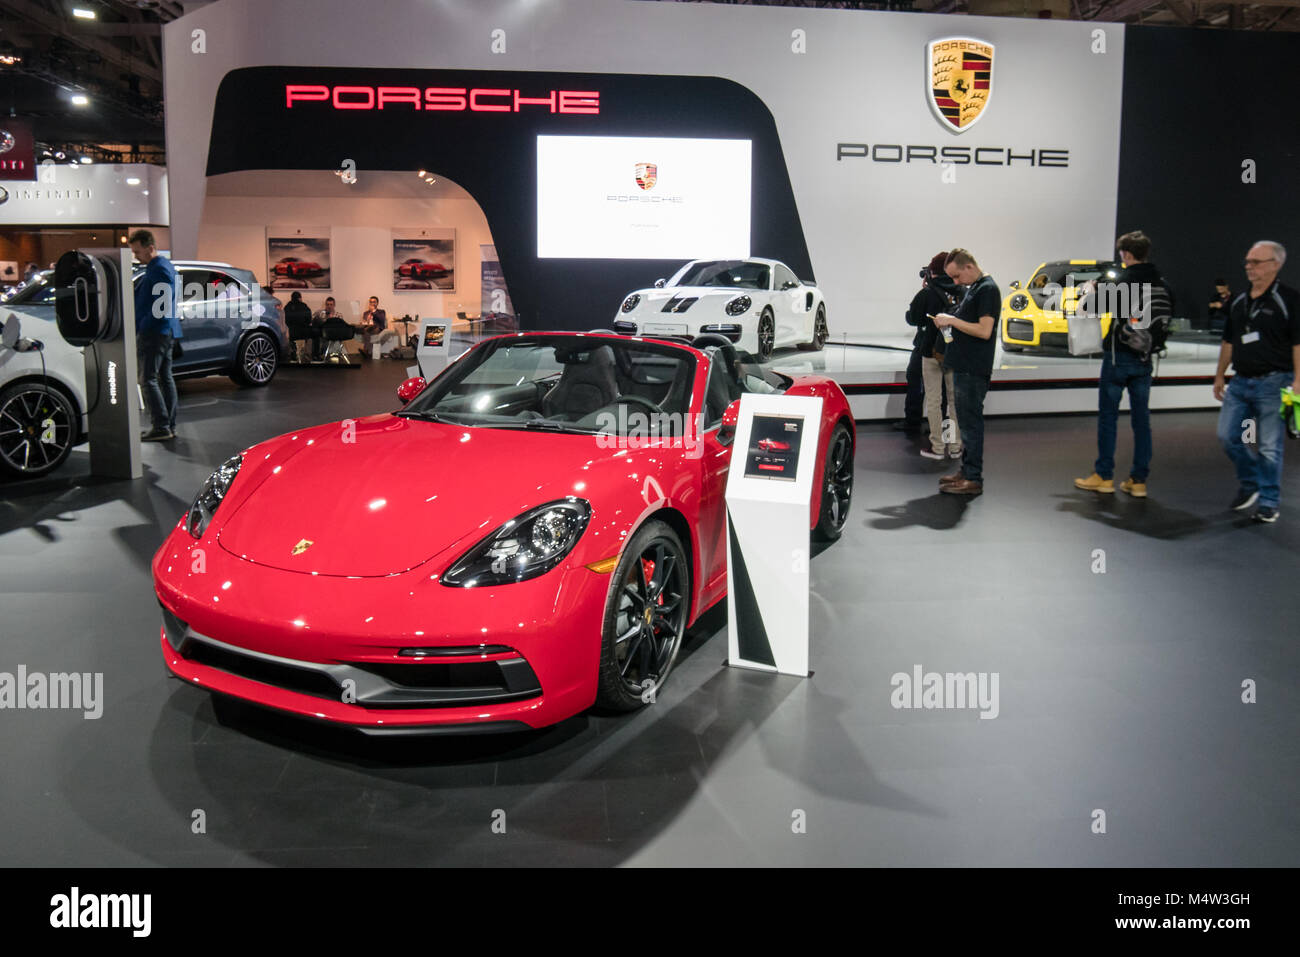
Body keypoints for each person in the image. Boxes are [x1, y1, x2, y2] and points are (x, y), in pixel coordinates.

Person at [1074, 230, 1172, 498]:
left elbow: (1086, 310)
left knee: (1108, 418)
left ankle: (1104, 476)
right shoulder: (1161, 283)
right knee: (1142, 421)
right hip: (1145, 359)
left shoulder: (1123, 282)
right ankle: (1138, 480)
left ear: (1126, 254)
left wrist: (1092, 290)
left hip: (1119, 358)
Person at [1214, 240, 1300, 523]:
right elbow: (1229, 340)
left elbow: (1298, 345)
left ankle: (1268, 501)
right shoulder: (1239, 301)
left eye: (1256, 262)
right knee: (1228, 437)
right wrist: (1219, 375)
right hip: (1240, 383)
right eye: (1248, 262)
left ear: (1275, 265)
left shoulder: (1289, 301)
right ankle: (1251, 482)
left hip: (1274, 383)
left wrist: (1298, 381)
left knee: (1269, 448)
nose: (1249, 267)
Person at [933, 248, 999, 495]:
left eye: (958, 276)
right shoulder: (977, 288)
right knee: (967, 424)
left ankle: (973, 477)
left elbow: (984, 330)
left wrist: (951, 321)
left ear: (969, 267)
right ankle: (967, 472)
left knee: (971, 426)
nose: (956, 282)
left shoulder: (987, 290)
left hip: (973, 369)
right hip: (965, 367)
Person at [908, 250, 962, 460]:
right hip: (954, 353)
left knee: (933, 400)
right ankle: (955, 446)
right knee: (953, 400)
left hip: (931, 352)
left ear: (933, 271)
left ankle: (938, 447)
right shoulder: (962, 291)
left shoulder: (927, 293)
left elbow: (913, 318)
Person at [129, 229, 181, 442]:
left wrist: (144, 325)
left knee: (147, 378)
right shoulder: (163, 267)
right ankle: (168, 424)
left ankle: (160, 426)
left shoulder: (158, 269)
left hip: (155, 332)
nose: (136, 256)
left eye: (138, 252)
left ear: (150, 248)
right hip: (165, 330)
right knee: (164, 377)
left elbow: (162, 303)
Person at [283, 290, 315, 362]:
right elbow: (309, 320)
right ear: (300, 298)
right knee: (313, 334)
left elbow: (285, 321)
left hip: (291, 333)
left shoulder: (287, 307)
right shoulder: (304, 306)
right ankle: (308, 355)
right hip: (304, 333)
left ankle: (292, 354)